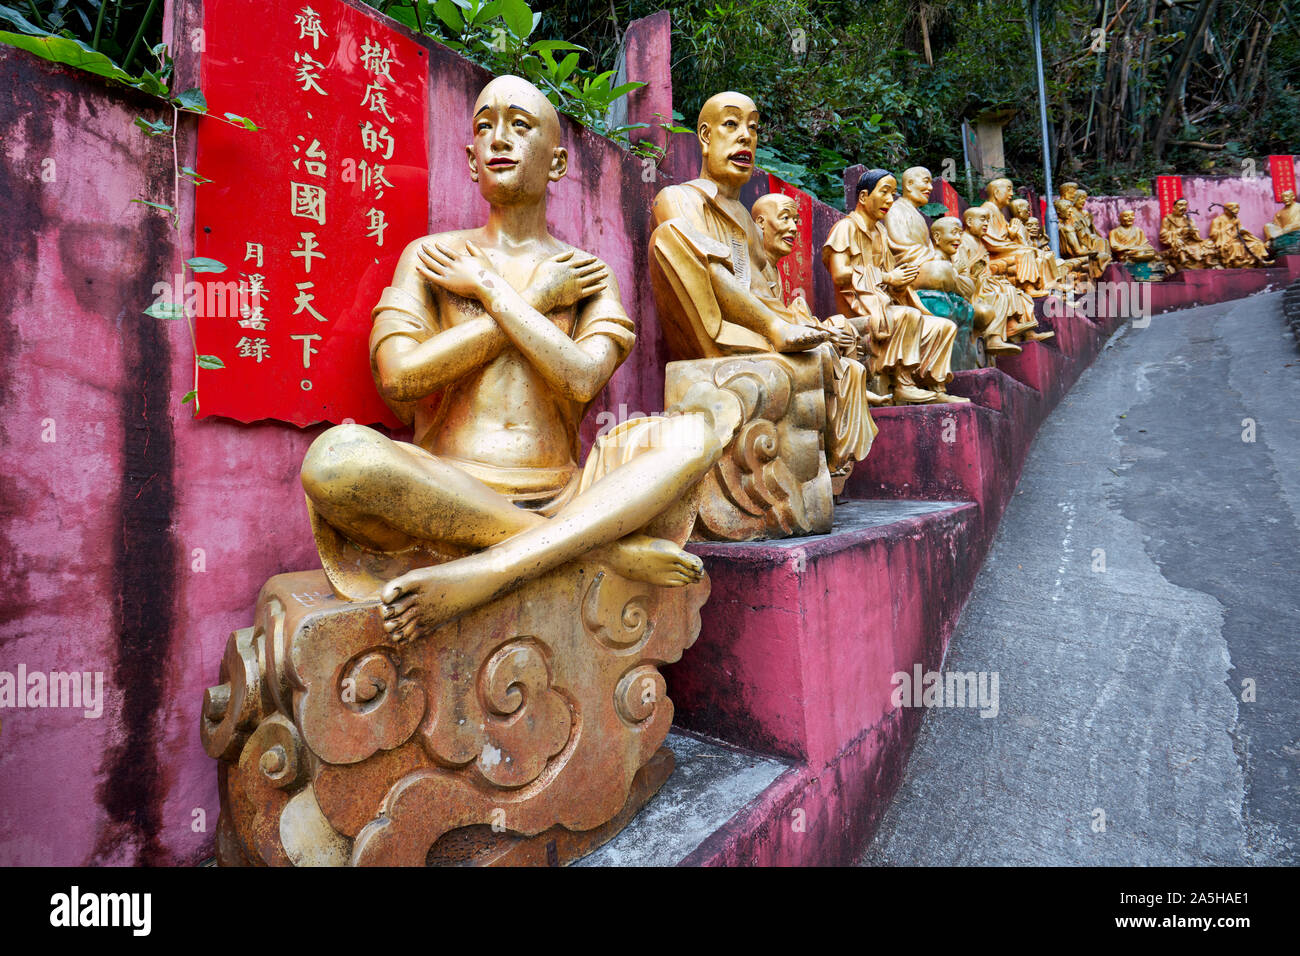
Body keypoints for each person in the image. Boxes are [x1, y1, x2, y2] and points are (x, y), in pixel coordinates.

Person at [299, 75, 745, 643]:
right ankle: (601, 550)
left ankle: (488, 569)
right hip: (448, 484)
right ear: (469, 159)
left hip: (570, 488)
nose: (499, 139)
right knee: (334, 458)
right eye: (485, 126)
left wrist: (493, 291)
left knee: (694, 437)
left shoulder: (587, 274)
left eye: (520, 125)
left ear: (557, 164)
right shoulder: (431, 258)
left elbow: (582, 379)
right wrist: (529, 298)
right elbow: (400, 378)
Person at [823, 168, 967, 404]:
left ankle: (933, 386)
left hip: (884, 305)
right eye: (885, 192)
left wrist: (901, 283)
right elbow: (840, 275)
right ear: (863, 197)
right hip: (858, 310)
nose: (890, 200)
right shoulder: (845, 228)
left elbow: (891, 278)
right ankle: (904, 384)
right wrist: (888, 278)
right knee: (907, 316)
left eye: (893, 194)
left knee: (942, 326)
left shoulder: (880, 232)